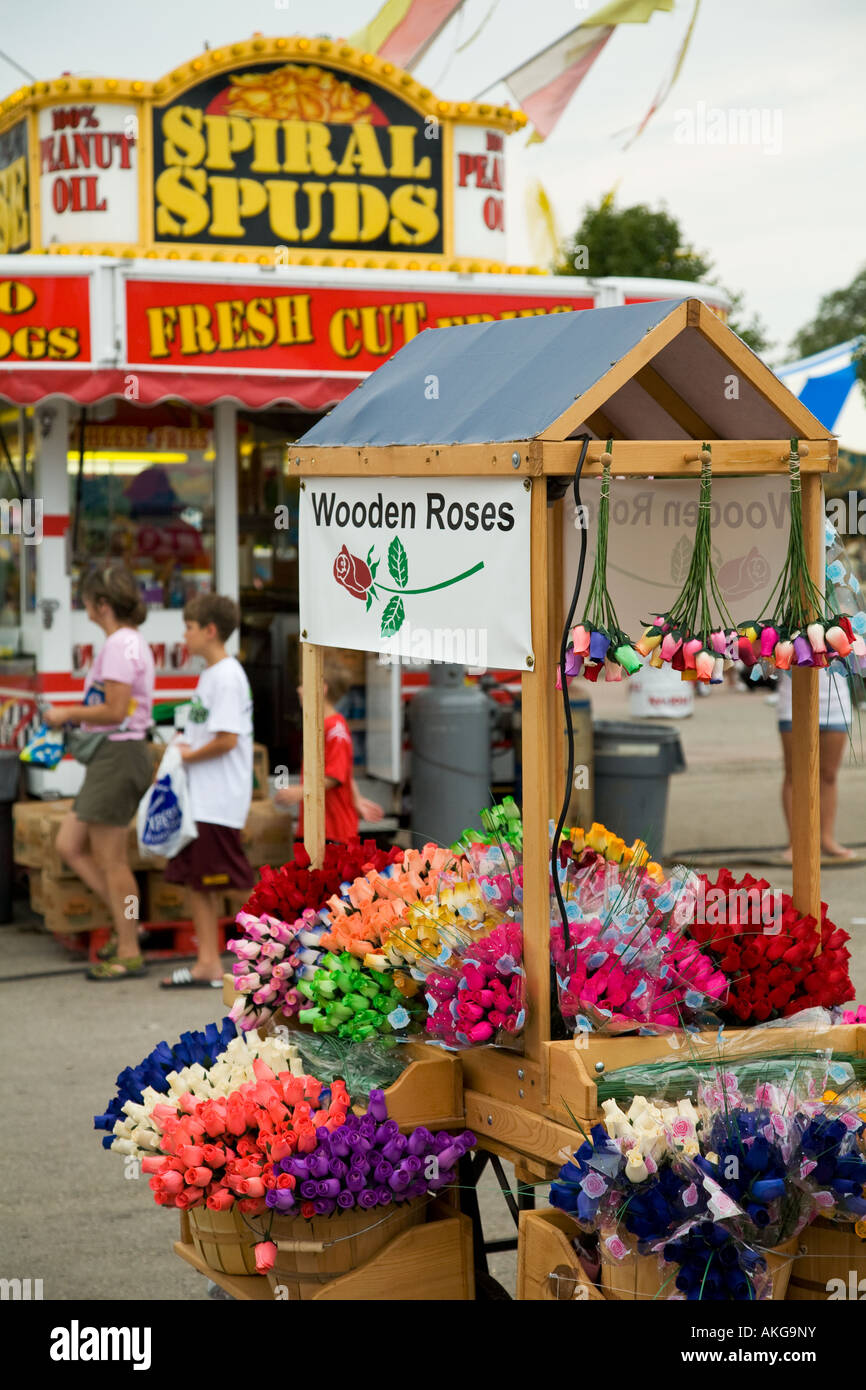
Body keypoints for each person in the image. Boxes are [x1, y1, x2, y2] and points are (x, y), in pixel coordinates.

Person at [46, 565, 155, 980]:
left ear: (102, 605)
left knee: (112, 861)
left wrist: (66, 713)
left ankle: (128, 948)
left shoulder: (117, 646)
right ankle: (128, 924)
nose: (83, 606)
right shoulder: (132, 642)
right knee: (69, 844)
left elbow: (113, 710)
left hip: (118, 755)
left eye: (87, 600)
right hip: (118, 756)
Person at [160, 594, 255, 988]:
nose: (184, 635)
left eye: (189, 627)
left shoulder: (227, 676)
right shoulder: (211, 675)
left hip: (217, 799)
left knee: (234, 880)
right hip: (202, 798)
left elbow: (228, 739)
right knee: (199, 883)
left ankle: (292, 947)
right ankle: (208, 963)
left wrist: (184, 757)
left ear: (210, 630)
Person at [274, 652, 383, 839]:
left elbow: (334, 775)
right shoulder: (323, 726)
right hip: (321, 827)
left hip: (332, 830)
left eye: (304, 685)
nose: (299, 690)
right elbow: (344, 771)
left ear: (322, 689)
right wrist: (355, 798)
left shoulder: (335, 729)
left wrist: (300, 791)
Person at [777, 665, 854, 860]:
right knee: (795, 774)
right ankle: (795, 841)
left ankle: (826, 838)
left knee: (828, 774)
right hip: (793, 701)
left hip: (836, 703)